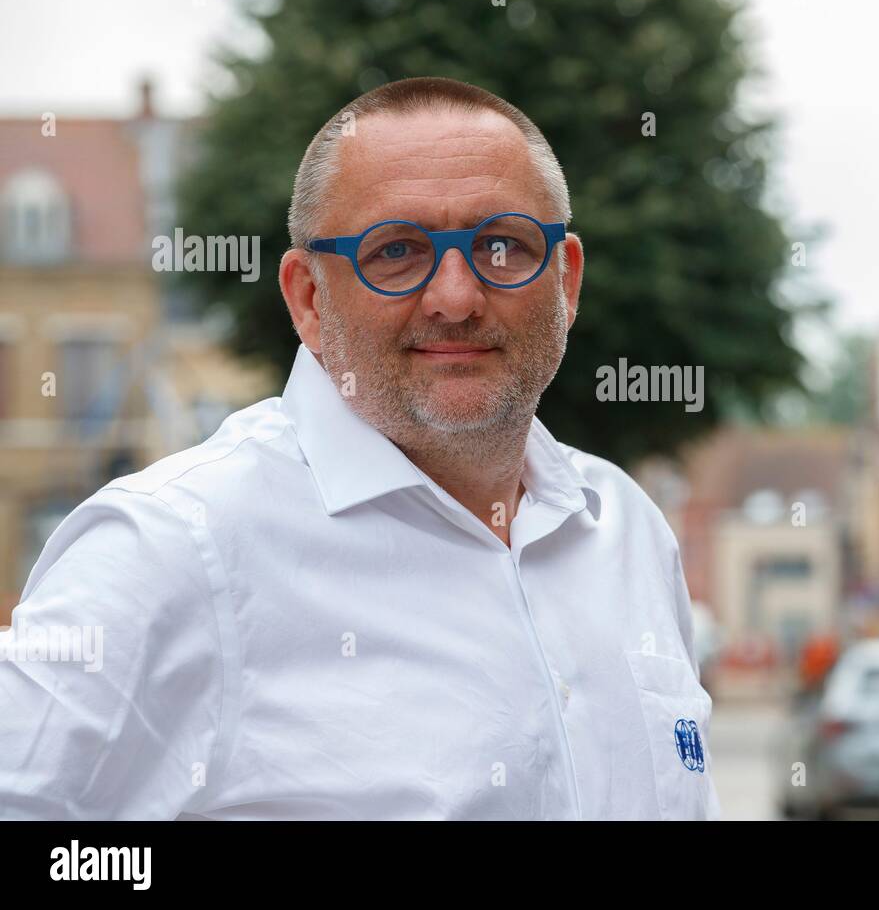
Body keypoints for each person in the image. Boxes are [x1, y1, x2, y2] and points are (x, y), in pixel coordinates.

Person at [0, 77, 722, 820]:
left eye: (501, 245)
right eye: (397, 251)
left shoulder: (626, 532)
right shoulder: (171, 550)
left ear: (566, 281)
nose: (455, 296)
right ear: (308, 298)